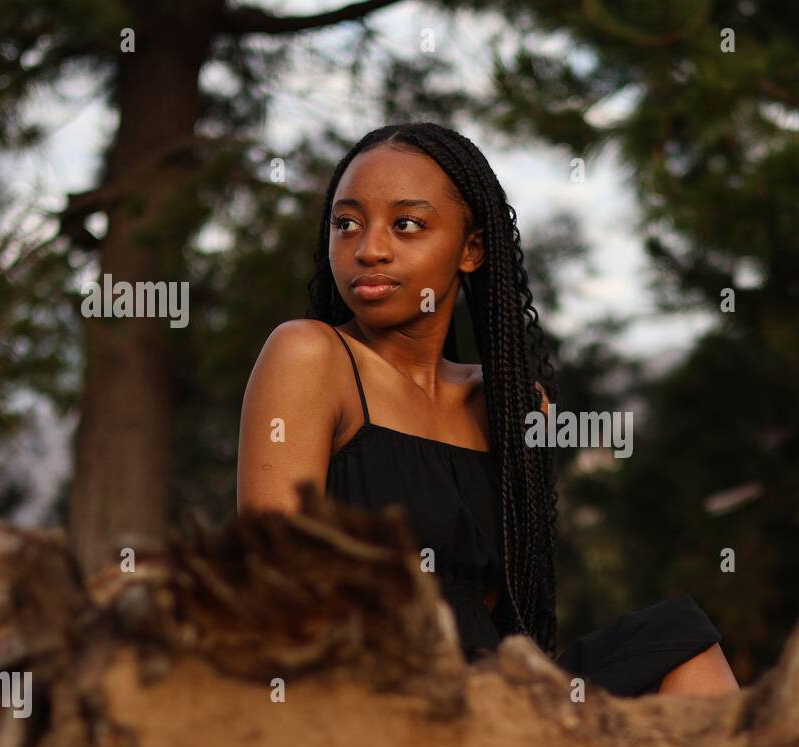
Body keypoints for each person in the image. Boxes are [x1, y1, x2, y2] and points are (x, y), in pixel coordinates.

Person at [237, 121, 738, 698]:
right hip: (367, 694)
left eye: (407, 224)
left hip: (493, 694)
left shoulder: (510, 405)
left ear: (471, 248)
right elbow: (268, 587)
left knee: (681, 643)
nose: (369, 249)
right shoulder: (311, 356)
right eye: (346, 223)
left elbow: (508, 606)